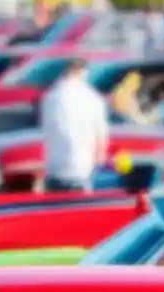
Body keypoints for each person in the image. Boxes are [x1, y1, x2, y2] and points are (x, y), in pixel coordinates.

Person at [39, 57, 109, 192]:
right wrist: (99, 164)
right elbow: (101, 137)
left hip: (55, 167)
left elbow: (46, 130)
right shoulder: (93, 99)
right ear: (83, 72)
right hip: (82, 168)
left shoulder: (51, 97)